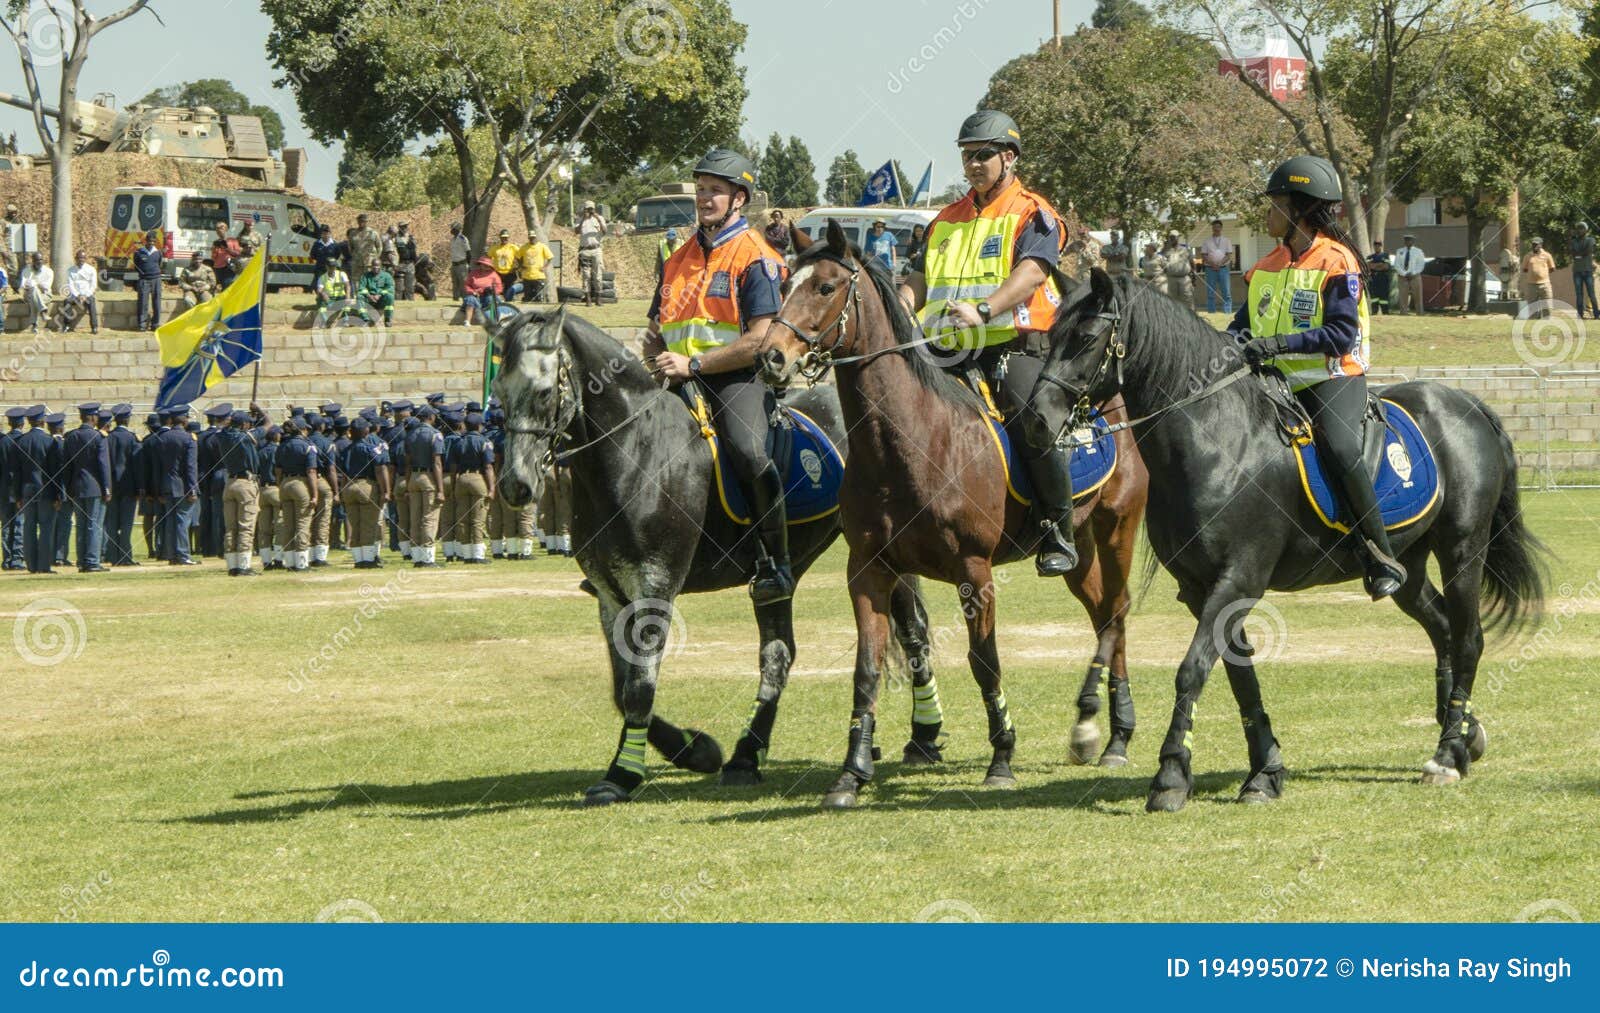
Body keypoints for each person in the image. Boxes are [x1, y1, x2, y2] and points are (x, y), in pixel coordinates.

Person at [899, 110, 1079, 578]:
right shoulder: (945, 218)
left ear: (1009, 157)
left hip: (1012, 346)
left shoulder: (1032, 212)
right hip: (944, 347)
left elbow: (1033, 273)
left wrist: (984, 309)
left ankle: (1057, 529)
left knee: (1034, 422)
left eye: (983, 155)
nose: (974, 164)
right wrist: (902, 303)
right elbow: (919, 277)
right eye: (967, 155)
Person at [1229, 155, 1403, 601]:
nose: (1266, 213)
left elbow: (1342, 335)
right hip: (1273, 384)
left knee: (1343, 448)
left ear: (1298, 210)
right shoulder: (1265, 266)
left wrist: (1277, 344)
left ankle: (1379, 554)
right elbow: (1241, 326)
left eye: (1274, 204)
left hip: (1331, 378)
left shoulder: (1337, 261)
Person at [643, 147, 794, 602]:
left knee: (748, 450)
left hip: (734, 380)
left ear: (739, 199)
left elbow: (762, 339)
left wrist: (694, 364)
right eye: (701, 190)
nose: (705, 198)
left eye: (716, 191)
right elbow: (656, 328)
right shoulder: (677, 257)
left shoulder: (757, 256)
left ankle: (775, 562)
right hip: (673, 377)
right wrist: (652, 353)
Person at [60, 402, 110, 573]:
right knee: (94, 525)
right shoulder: (98, 437)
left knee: (81, 525)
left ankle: (82, 560)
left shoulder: (71, 436)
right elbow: (103, 466)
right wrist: (107, 488)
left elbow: (66, 466)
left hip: (76, 486)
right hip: (95, 487)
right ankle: (92, 561)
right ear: (93, 417)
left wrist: (67, 487)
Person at [10, 404, 60, 573]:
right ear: (43, 421)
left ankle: (31, 564)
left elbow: (16, 472)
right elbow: (55, 470)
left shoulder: (20, 441)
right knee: (46, 528)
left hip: (26, 489)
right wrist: (58, 494)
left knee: (29, 527)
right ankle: (43, 565)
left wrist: (17, 495)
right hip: (45, 489)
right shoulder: (49, 441)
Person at [153, 404, 200, 566]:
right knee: (182, 521)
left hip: (166, 485)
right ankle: (183, 554)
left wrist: (158, 488)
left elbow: (157, 466)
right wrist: (193, 488)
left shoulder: (162, 437)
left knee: (171, 521)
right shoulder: (189, 439)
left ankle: (172, 554)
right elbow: (190, 467)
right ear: (185, 419)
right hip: (183, 486)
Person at [340, 416, 390, 568]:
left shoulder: (346, 450)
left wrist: (342, 492)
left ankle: (358, 559)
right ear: (366, 430)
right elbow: (380, 470)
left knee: (355, 525)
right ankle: (368, 560)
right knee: (368, 524)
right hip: (366, 485)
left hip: (349, 486)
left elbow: (342, 474)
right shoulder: (371, 448)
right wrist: (385, 491)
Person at [214, 410, 260, 576]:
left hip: (230, 483)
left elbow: (224, 429)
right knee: (246, 525)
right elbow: (268, 425)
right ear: (243, 425)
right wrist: (259, 411)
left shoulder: (222, 436)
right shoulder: (244, 438)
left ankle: (232, 566)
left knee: (231, 527)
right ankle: (244, 565)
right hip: (245, 483)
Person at [449, 411, 495, 563]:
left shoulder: (458, 441)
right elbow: (488, 467)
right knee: (478, 518)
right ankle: (477, 554)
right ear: (479, 426)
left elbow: (453, 467)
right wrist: (491, 488)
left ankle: (467, 554)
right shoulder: (484, 442)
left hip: (461, 478)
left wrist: (454, 485)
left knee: (462, 518)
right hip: (478, 478)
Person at [272, 417, 317, 572]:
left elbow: (277, 470)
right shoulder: (307, 446)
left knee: (288, 525)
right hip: (301, 483)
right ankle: (302, 562)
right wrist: (315, 495)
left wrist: (280, 485)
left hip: (285, 483)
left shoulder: (282, 446)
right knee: (303, 523)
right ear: (303, 430)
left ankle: (290, 562)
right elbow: (311, 471)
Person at [404, 404, 446, 567]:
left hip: (413, 476)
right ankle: (428, 557)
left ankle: (417, 557)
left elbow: (407, 463)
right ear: (430, 417)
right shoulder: (435, 435)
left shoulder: (410, 434)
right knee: (429, 518)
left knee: (415, 518)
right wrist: (441, 489)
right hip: (429, 477)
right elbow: (437, 462)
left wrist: (408, 485)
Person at [104, 403, 139, 566]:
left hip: (111, 485)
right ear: (127, 419)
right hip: (128, 486)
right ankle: (125, 556)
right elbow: (138, 465)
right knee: (126, 524)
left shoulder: (107, 437)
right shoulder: (132, 438)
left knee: (111, 523)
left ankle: (112, 554)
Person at [305, 413, 339, 567]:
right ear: (321, 426)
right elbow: (331, 469)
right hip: (320, 480)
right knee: (323, 519)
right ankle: (319, 555)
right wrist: (336, 490)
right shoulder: (327, 443)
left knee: (308, 519)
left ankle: (307, 552)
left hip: (304, 481)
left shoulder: (304, 441)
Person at [1, 406, 27, 570]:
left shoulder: (2, 441)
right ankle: (17, 559)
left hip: (3, 488)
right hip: (19, 488)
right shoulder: (23, 441)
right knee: (18, 524)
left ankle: (7, 558)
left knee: (6, 524)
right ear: (22, 423)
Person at [255, 424, 282, 570]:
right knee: (280, 526)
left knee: (264, 528)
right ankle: (278, 559)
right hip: (275, 487)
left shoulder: (260, 451)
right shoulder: (278, 450)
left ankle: (266, 560)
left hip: (262, 489)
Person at [1200, 219, 1234, 313]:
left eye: (1218, 227)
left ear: (1221, 228)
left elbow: (1228, 255)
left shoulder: (1226, 240)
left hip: (1223, 269)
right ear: (1212, 228)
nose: (1216, 229)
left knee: (1226, 293)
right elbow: (1203, 255)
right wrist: (1213, 264)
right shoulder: (1207, 241)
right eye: (1214, 227)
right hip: (1210, 269)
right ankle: (1211, 312)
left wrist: (1219, 264)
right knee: (1210, 292)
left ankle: (1227, 312)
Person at [62, 248, 99, 333]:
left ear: (85, 259)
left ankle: (94, 327)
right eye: (79, 258)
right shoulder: (70, 270)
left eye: (83, 258)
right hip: (75, 295)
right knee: (67, 301)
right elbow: (70, 285)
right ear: (76, 259)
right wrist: (78, 295)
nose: (81, 260)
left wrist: (85, 295)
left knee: (92, 302)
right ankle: (67, 325)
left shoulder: (91, 270)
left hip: (87, 295)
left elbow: (93, 285)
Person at [577, 200, 606, 305]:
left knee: (597, 275)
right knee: (586, 275)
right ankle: (588, 298)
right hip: (585, 250)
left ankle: (598, 297)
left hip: (596, 250)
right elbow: (576, 231)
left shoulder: (599, 218)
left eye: (591, 208)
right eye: (587, 208)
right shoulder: (581, 219)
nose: (589, 210)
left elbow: (605, 231)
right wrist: (582, 220)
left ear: (594, 209)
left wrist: (597, 217)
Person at [1521, 236, 1557, 318]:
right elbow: (1524, 269)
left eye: (1536, 244)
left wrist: (1542, 274)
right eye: (1533, 244)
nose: (1534, 246)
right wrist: (1533, 273)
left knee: (1547, 306)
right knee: (1532, 307)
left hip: (1545, 284)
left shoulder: (1547, 255)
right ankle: (1533, 323)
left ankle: (1546, 322)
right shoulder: (1527, 256)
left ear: (1541, 245)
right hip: (1531, 285)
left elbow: (1552, 268)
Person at [462, 256, 502, 325]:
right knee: (470, 299)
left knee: (491, 299)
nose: (486, 266)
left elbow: (499, 288)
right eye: (484, 265)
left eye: (488, 265)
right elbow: (467, 285)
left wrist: (491, 291)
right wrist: (472, 292)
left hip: (488, 296)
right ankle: (467, 321)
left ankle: (493, 321)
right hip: (475, 296)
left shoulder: (494, 274)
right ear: (480, 265)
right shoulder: (473, 273)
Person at [516, 231, 554, 303]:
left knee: (539, 298)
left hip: (539, 276)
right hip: (527, 276)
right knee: (527, 298)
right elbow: (518, 257)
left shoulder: (542, 246)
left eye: (533, 237)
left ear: (536, 237)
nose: (532, 239)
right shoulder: (524, 247)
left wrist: (545, 267)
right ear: (528, 238)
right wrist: (521, 265)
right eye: (530, 237)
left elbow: (550, 257)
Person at [20, 252, 54, 333]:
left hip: (45, 295)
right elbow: (23, 285)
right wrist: (35, 285)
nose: (39, 262)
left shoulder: (49, 271)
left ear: (43, 260)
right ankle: (43, 311)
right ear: (33, 261)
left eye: (41, 260)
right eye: (36, 260)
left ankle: (34, 325)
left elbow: (46, 287)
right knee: (33, 291)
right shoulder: (26, 271)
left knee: (34, 297)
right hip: (28, 294)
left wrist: (34, 283)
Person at [1393, 233, 1425, 314]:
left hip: (1415, 276)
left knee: (1417, 296)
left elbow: (1421, 265)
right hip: (1403, 276)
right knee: (1403, 296)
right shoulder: (1399, 251)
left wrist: (1413, 273)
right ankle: (1403, 313)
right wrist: (1404, 273)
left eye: (1410, 240)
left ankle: (1420, 312)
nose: (1408, 241)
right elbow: (1397, 265)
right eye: (1406, 240)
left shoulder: (1418, 251)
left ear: (1413, 241)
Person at [1570, 222, 1596, 319]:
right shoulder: (1573, 241)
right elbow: (1572, 253)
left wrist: (1578, 255)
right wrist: (1579, 254)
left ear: (1586, 230)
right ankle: (1580, 315)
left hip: (1588, 270)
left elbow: (1587, 251)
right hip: (1577, 271)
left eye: (1582, 228)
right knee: (1579, 294)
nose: (1579, 230)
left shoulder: (1591, 240)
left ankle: (1596, 315)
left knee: (1591, 293)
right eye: (1578, 228)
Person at [356, 260, 395, 326]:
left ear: (381, 266)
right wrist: (369, 296)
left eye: (377, 265)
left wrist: (380, 295)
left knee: (390, 297)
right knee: (359, 296)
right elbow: (361, 288)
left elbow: (390, 288)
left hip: (381, 300)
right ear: (371, 266)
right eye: (374, 265)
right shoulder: (365, 276)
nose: (376, 267)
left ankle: (388, 320)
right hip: (369, 300)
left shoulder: (387, 276)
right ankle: (366, 319)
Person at [1161, 229, 1194, 305]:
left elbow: (1192, 262)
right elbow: (1161, 261)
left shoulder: (1185, 249)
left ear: (1178, 237)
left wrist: (1193, 276)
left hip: (1184, 278)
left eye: (1174, 237)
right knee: (1173, 301)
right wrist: (1166, 247)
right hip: (1171, 278)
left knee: (1187, 300)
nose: (1172, 239)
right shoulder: (1166, 250)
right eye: (1171, 237)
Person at [210, 220, 241, 289]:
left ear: (226, 229)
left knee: (226, 286)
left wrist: (226, 248)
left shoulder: (232, 240)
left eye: (221, 227)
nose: (219, 230)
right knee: (213, 286)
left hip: (228, 267)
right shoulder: (216, 242)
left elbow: (238, 254)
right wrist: (214, 249)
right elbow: (213, 258)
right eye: (217, 228)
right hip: (217, 268)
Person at [310, 224, 340, 294]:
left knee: (330, 285)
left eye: (327, 233)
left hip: (331, 269)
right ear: (321, 234)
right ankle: (320, 300)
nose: (326, 235)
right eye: (324, 233)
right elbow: (312, 255)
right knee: (319, 286)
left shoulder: (334, 244)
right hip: (320, 268)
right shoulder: (317, 244)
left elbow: (337, 255)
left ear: (330, 234)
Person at [1366, 240, 1393, 314]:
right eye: (1375, 245)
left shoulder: (1386, 255)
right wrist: (1380, 264)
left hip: (1383, 280)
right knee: (1374, 299)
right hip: (1373, 280)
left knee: (1384, 300)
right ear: (1374, 246)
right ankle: (1374, 313)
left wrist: (1374, 266)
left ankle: (1385, 314)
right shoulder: (1369, 257)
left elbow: (1386, 267)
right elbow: (1368, 266)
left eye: (1379, 245)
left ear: (1381, 246)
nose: (1377, 246)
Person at [490, 229, 520, 294]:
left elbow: (521, 258)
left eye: (506, 237)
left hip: (509, 273)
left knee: (508, 292)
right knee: (496, 291)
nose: (504, 239)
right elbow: (487, 257)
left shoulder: (513, 247)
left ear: (508, 237)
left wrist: (517, 267)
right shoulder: (495, 248)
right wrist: (491, 268)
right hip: (498, 273)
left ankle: (508, 302)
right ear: (500, 237)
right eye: (503, 237)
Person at [393, 221, 418, 300]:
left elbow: (414, 251)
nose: (405, 228)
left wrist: (415, 262)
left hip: (410, 264)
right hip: (400, 264)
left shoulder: (411, 237)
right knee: (399, 288)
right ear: (399, 228)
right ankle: (398, 304)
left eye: (406, 226)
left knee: (410, 287)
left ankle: (410, 305)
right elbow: (393, 252)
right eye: (403, 227)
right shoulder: (396, 238)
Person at [448, 222, 471, 300]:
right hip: (454, 264)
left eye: (453, 229)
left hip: (461, 264)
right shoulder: (452, 240)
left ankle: (465, 298)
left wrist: (468, 264)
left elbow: (468, 252)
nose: (451, 230)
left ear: (457, 229)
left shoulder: (463, 239)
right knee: (455, 282)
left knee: (463, 282)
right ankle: (455, 298)